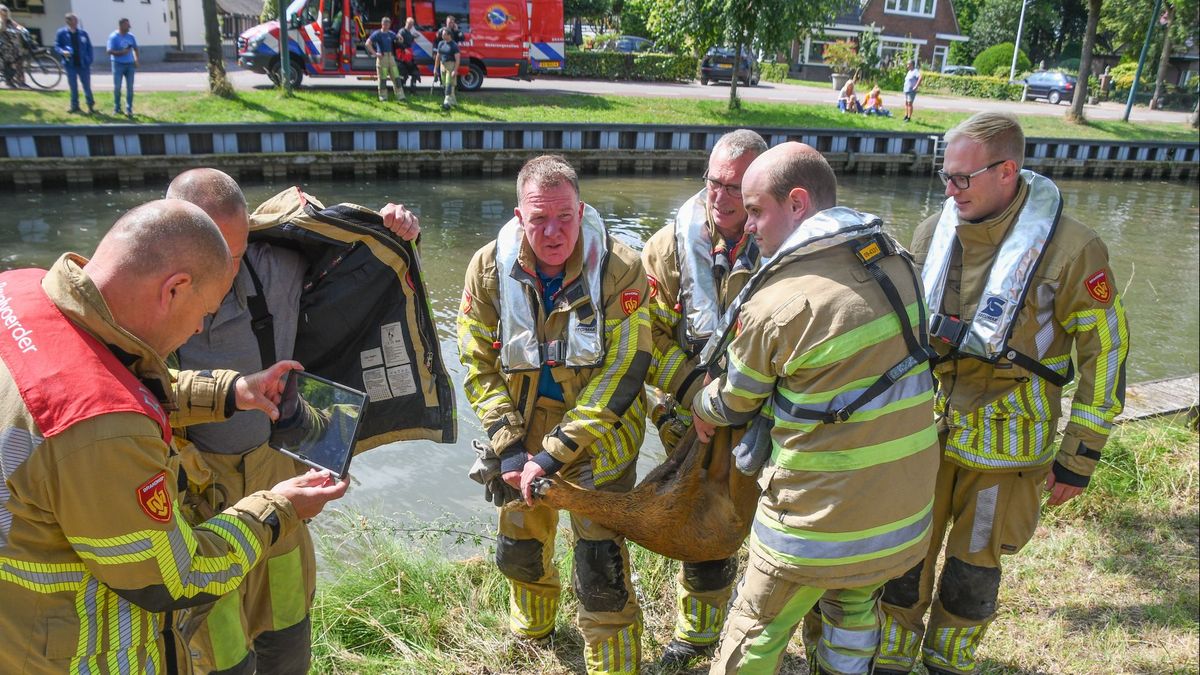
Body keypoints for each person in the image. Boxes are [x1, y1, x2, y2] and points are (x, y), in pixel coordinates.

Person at [0, 199, 349, 673]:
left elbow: (109, 380)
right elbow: (175, 577)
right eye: (203, 310)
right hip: (75, 654)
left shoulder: (21, 293)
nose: (200, 326)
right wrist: (280, 508)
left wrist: (231, 391)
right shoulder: (103, 431)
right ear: (174, 288)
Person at [875, 112, 1129, 675]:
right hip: (928, 432)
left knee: (974, 567)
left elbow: (1107, 351)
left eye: (962, 178)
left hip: (1009, 443)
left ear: (1007, 171)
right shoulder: (932, 233)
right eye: (945, 175)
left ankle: (949, 660)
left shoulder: (1073, 250)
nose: (950, 189)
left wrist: (1080, 455)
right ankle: (889, 654)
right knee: (905, 552)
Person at [690, 142, 941, 674]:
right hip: (900, 512)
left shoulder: (779, 301)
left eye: (756, 210)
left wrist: (700, 404)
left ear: (798, 203)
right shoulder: (896, 261)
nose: (748, 225)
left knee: (756, 626)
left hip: (815, 523)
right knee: (853, 608)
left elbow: (736, 399)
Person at [166, 169, 423, 675]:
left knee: (287, 645)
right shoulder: (143, 298)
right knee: (220, 656)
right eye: (208, 254)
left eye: (234, 253)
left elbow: (365, 266)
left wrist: (397, 230)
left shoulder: (275, 265)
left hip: (276, 484)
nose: (223, 271)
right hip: (196, 506)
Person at [457, 155, 651, 674]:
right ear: (518, 216)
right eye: (539, 218)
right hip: (520, 431)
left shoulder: (621, 267)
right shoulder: (486, 268)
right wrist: (510, 447)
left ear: (581, 211)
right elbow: (475, 362)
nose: (553, 232)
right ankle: (534, 637)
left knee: (600, 566)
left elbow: (624, 371)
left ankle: (613, 665)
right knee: (519, 547)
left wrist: (552, 456)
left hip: (598, 436)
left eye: (564, 217)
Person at [640, 128, 767, 668]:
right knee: (704, 524)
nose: (720, 196)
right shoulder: (666, 249)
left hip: (769, 416)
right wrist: (698, 393)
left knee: (779, 530)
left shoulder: (790, 237)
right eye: (714, 182)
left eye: (736, 187)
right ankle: (697, 634)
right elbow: (647, 337)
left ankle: (763, 625)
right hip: (692, 417)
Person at [55, 12, 95, 113]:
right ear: (68, 21)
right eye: (74, 20)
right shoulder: (61, 33)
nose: (76, 22)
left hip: (83, 64)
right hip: (70, 64)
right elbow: (57, 46)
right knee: (73, 86)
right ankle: (74, 106)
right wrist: (62, 51)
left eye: (76, 20)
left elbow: (89, 47)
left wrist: (89, 59)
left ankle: (90, 106)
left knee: (87, 86)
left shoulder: (83, 33)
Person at [367, 17, 404, 102]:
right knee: (383, 78)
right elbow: (368, 43)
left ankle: (400, 96)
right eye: (385, 24)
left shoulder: (390, 33)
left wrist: (400, 39)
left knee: (396, 76)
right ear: (382, 24)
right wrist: (375, 53)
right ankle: (383, 97)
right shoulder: (377, 34)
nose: (387, 26)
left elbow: (399, 39)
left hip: (391, 57)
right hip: (382, 58)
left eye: (388, 24)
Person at [107, 17, 138, 118]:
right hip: (118, 64)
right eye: (127, 25)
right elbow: (109, 51)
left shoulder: (131, 36)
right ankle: (117, 108)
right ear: (121, 25)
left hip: (130, 65)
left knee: (130, 87)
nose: (129, 27)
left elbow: (136, 49)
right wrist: (121, 53)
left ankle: (129, 109)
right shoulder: (113, 37)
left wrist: (136, 60)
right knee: (117, 87)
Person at [433, 26, 460, 111]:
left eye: (444, 34)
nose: (442, 35)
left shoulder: (454, 45)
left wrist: (455, 70)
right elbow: (438, 57)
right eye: (442, 34)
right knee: (445, 85)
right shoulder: (441, 43)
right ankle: (454, 102)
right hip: (442, 66)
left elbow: (458, 59)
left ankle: (446, 103)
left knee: (449, 85)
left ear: (449, 35)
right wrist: (435, 69)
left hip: (451, 66)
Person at [0, 4, 27, 88]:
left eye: (6, 12)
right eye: (3, 12)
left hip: (15, 46)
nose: (5, 14)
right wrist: (2, 20)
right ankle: (9, 81)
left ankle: (21, 81)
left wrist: (22, 29)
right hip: (5, 48)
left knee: (19, 63)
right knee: (8, 65)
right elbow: (2, 29)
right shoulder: (1, 21)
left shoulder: (9, 21)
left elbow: (17, 26)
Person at [396, 16, 421, 94]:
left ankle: (413, 90)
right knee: (403, 74)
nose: (410, 25)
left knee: (415, 73)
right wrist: (404, 48)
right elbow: (398, 42)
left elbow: (408, 40)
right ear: (405, 23)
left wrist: (414, 37)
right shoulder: (401, 31)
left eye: (412, 24)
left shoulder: (409, 33)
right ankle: (402, 91)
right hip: (402, 57)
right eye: (409, 23)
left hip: (408, 56)